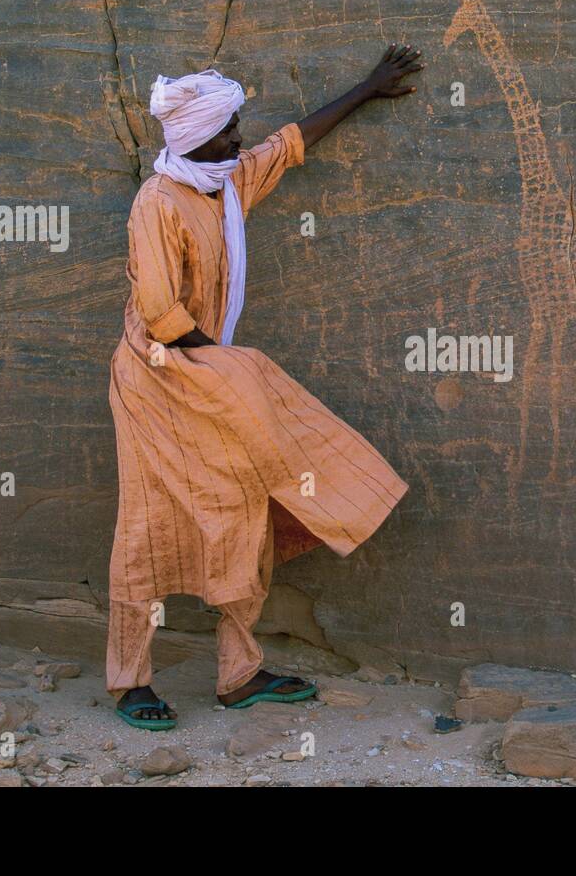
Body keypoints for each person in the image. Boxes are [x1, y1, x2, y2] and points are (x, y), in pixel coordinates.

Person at [106, 45, 422, 729]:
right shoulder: (157, 204)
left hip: (205, 376)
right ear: (196, 137)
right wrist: (230, 373)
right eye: (227, 130)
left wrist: (366, 89)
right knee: (147, 527)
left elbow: (287, 145)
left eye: (235, 128)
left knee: (243, 510)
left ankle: (239, 672)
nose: (238, 138)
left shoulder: (222, 187)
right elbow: (161, 314)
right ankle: (131, 681)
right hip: (156, 382)